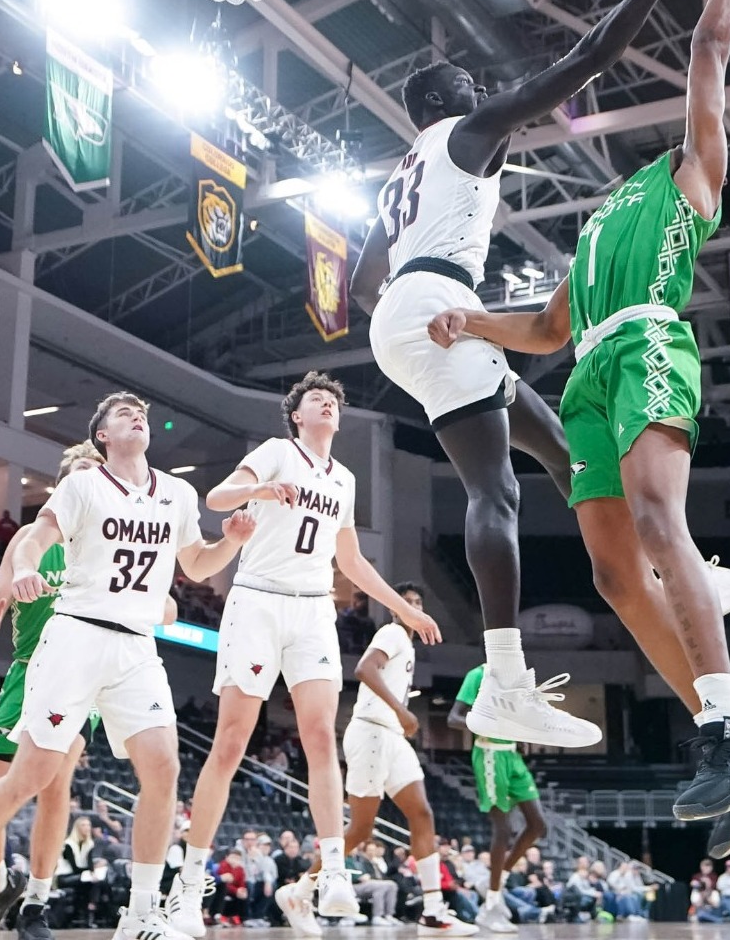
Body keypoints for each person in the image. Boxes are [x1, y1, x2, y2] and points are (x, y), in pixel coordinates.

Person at [427, 0, 730, 852]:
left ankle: (721, 724)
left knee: (657, 518)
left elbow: (710, 49)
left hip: (648, 349)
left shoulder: (692, 184)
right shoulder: (603, 222)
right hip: (590, 366)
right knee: (611, 569)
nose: (675, 143)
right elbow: (549, 327)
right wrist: (472, 320)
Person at [348, 0, 724, 753]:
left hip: (406, 313)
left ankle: (679, 566)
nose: (485, 96)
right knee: (497, 490)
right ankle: (506, 683)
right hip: (436, 307)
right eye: (472, 90)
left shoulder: (395, 180)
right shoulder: (465, 132)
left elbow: (363, 280)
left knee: (558, 447)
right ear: (448, 101)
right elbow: (589, 57)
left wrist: (412, 325)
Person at [0, 393, 255, 940]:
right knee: (28, 777)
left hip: (136, 648)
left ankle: (141, 914)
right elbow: (37, 540)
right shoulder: (82, 485)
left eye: (140, 411)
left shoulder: (177, 492)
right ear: (102, 436)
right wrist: (24, 569)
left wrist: (232, 544)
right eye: (123, 414)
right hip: (75, 638)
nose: (137, 415)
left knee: (164, 767)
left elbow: (196, 562)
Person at [172, 374, 442, 937]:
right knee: (230, 743)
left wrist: (404, 611)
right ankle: (189, 881)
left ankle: (335, 872)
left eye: (335, 401)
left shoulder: (343, 478)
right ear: (297, 416)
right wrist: (260, 490)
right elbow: (215, 498)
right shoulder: (275, 452)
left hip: (314, 609)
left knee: (321, 737)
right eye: (318, 399)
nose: (328, 404)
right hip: (258, 602)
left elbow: (353, 562)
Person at [0, 441, 155, 940]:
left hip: (80, 674)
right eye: (84, 474)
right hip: (28, 669)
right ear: (64, 485)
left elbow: (151, 600)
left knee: (55, 783)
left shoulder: (111, 540)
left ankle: (37, 905)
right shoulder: (31, 537)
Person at [278, 584, 471, 937]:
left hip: (391, 738)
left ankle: (432, 911)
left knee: (422, 813)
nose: (412, 606)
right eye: (406, 602)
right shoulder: (393, 632)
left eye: (417, 602)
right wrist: (401, 711)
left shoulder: (407, 643)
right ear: (395, 609)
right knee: (361, 829)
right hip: (371, 731)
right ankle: (299, 891)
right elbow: (365, 669)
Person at [447, 664, 547, 928]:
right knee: (503, 829)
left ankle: (496, 878)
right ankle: (491, 904)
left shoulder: (516, 678)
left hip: (512, 755)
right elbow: (453, 718)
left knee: (538, 826)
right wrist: (485, 725)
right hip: (489, 754)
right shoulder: (477, 675)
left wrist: (522, 736)